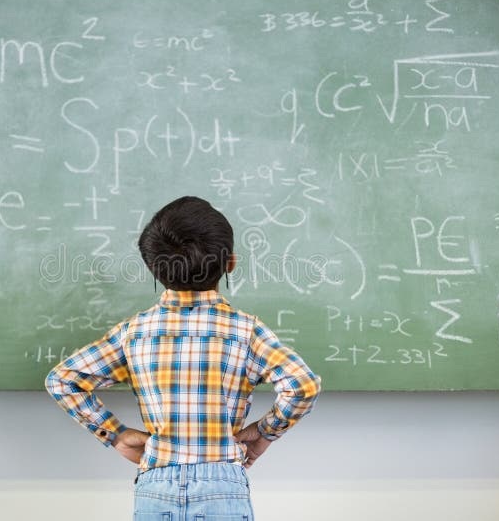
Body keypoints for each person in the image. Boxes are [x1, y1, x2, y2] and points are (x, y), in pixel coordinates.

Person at [45, 195, 321, 520]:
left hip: (155, 485)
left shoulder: (134, 332)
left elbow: (62, 381)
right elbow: (303, 385)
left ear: (152, 266)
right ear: (230, 262)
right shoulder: (246, 332)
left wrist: (115, 435)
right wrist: (263, 433)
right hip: (223, 482)